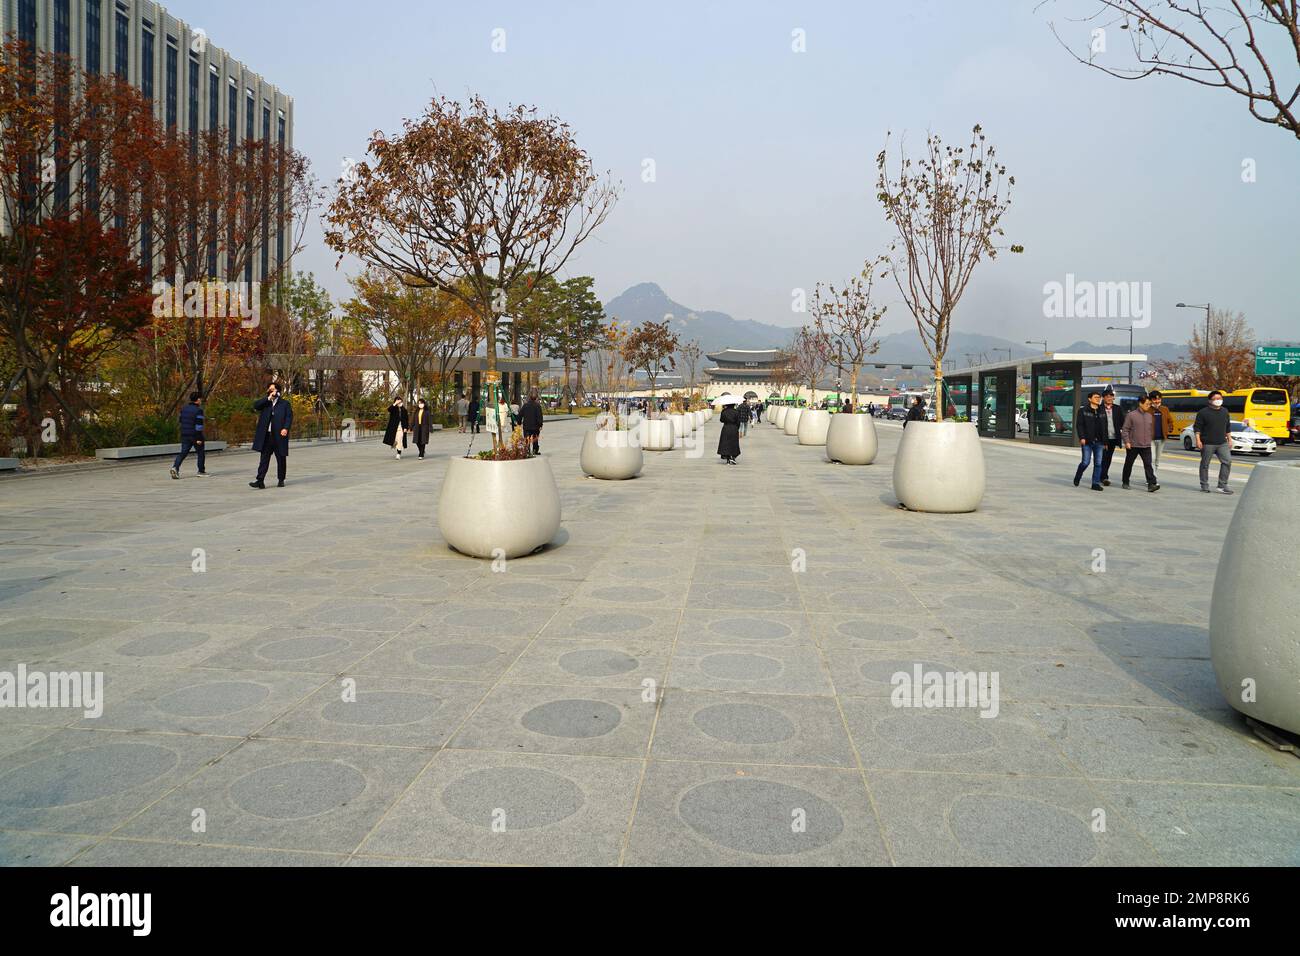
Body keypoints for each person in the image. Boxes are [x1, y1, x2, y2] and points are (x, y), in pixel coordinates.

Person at [250, 382, 292, 489]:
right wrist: (268, 398)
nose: (271, 391)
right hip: (267, 436)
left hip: (279, 435)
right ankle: (260, 480)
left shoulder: (284, 404)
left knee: (281, 458)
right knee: (264, 458)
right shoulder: (266, 403)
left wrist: (285, 428)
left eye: (273, 389)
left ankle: (281, 479)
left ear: (278, 391)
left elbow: (289, 417)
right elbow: (255, 405)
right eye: (269, 389)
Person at [1194, 389, 1234, 494]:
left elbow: (1227, 427)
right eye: (1215, 399)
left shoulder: (1225, 411)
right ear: (1210, 401)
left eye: (1220, 398)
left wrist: (1230, 439)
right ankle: (1204, 485)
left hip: (1222, 443)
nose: (1218, 400)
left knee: (1227, 461)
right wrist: (1198, 440)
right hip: (1207, 443)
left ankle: (1222, 485)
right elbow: (1197, 428)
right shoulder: (1203, 413)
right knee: (1205, 464)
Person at [1120, 394, 1160, 492]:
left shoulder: (1149, 416)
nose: (1148, 406)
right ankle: (1125, 481)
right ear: (1140, 403)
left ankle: (1151, 484)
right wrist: (1127, 441)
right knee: (1129, 464)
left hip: (1146, 445)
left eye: (1150, 404)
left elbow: (1150, 429)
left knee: (1148, 464)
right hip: (1133, 444)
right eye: (1147, 404)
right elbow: (1125, 429)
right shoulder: (1131, 415)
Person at [1073, 389, 1107, 491]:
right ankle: (1078, 475)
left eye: (1099, 398)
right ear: (1089, 399)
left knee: (1098, 463)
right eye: (1096, 397)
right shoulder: (1083, 410)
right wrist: (1082, 437)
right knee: (1085, 462)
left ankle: (1095, 483)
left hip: (1099, 441)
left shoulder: (1102, 410)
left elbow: (1105, 426)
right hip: (1087, 441)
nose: (1098, 399)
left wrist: (1105, 442)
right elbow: (1080, 425)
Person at [170, 391, 207, 479]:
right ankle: (201, 471)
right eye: (200, 399)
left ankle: (175, 467)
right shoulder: (199, 410)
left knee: (183, 452)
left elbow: (180, 420)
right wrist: (198, 438)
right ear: (197, 400)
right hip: (194, 434)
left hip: (184, 434)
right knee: (200, 452)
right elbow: (199, 426)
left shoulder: (184, 409)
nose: (201, 400)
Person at [1098, 389, 1124, 486]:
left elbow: (1122, 422)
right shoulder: (1099, 408)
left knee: (1108, 458)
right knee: (1102, 457)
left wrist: (1121, 430)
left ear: (1113, 397)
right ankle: (1103, 477)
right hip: (1102, 438)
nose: (1109, 398)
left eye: (1111, 396)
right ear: (1103, 398)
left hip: (1113, 438)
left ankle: (1103, 476)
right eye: (1107, 396)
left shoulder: (1117, 408)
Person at [1148, 390, 1173, 479]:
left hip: (1162, 438)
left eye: (1159, 399)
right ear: (1150, 400)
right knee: (1152, 458)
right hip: (1150, 438)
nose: (1157, 401)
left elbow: (1170, 421)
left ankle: (1154, 474)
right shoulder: (1147, 409)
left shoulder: (1165, 409)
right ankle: (1151, 478)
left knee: (1157, 459)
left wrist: (1169, 429)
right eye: (1154, 399)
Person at [383, 396, 409, 460]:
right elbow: (389, 409)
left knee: (400, 439)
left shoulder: (404, 410)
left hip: (401, 427)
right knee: (396, 439)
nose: (399, 403)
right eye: (398, 401)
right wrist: (395, 404)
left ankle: (398, 453)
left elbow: (406, 419)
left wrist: (406, 427)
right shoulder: (393, 408)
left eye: (400, 401)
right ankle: (394, 444)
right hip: (393, 427)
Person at [520, 389, 544, 454]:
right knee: (535, 439)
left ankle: (527, 450)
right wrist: (540, 425)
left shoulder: (525, 405)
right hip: (535, 426)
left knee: (526, 438)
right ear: (536, 398)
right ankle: (535, 450)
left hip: (526, 426)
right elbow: (540, 416)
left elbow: (520, 414)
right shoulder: (538, 406)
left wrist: (518, 422)